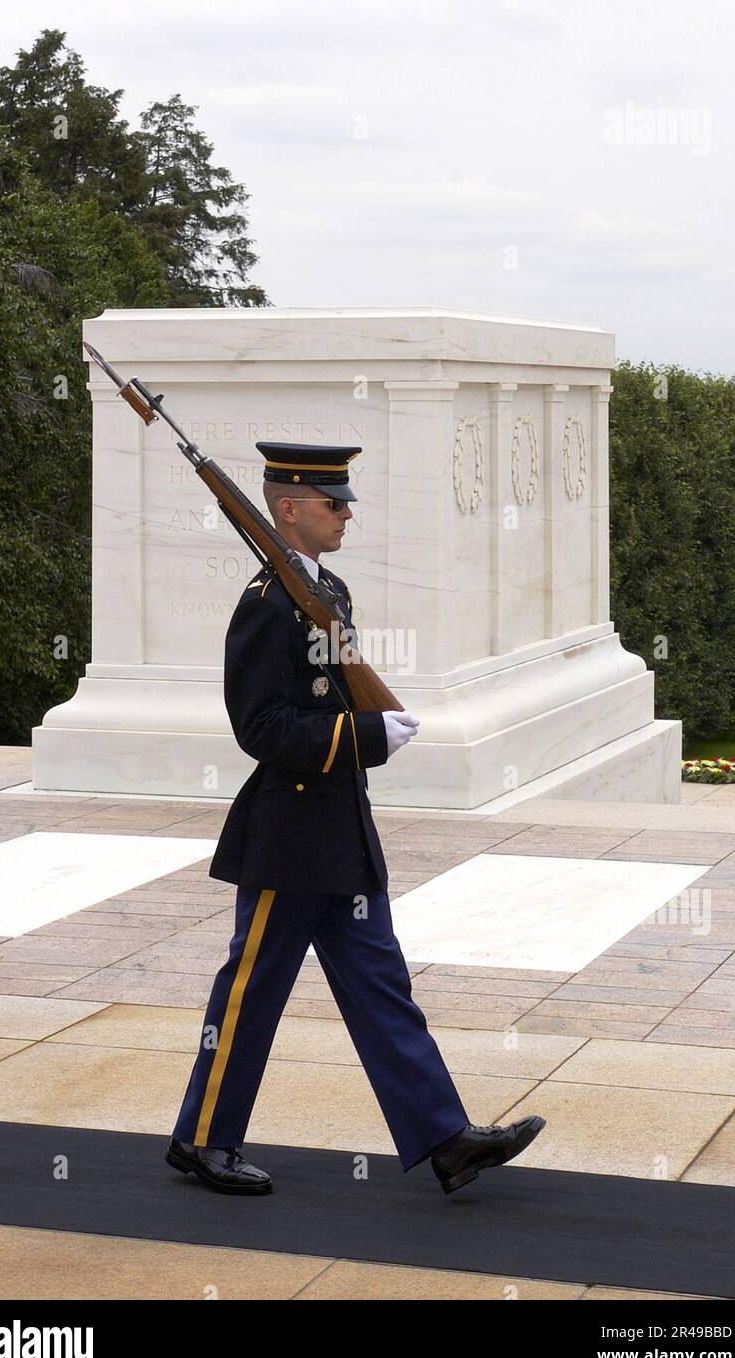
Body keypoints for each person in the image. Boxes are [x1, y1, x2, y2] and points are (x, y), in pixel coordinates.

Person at [166, 440, 546, 1196]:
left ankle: (445, 1137)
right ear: (286, 510)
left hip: (341, 830)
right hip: (290, 836)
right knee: (252, 988)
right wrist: (364, 737)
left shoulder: (326, 588)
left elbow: (336, 689)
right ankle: (202, 1140)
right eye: (332, 504)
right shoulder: (266, 604)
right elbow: (262, 728)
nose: (345, 516)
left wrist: (364, 729)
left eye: (344, 503)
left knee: (380, 983)